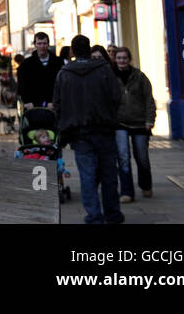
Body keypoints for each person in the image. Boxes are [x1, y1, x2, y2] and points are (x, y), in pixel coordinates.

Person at [52, 34, 125, 224]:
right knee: (109, 175)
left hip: (79, 132)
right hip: (104, 129)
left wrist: (65, 124)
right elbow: (117, 97)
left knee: (87, 176)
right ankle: (112, 214)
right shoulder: (104, 70)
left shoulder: (64, 73)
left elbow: (57, 104)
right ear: (89, 48)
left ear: (73, 52)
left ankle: (94, 216)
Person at [113, 46, 156, 202]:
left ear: (129, 59)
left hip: (139, 122)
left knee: (142, 157)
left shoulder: (139, 76)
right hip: (119, 123)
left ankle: (146, 185)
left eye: (124, 58)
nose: (122, 61)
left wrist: (150, 120)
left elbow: (149, 99)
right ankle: (126, 191)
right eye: (119, 58)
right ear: (115, 59)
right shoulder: (111, 77)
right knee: (123, 156)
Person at [17, 33, 64, 109]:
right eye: (39, 43)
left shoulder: (58, 62)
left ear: (48, 44)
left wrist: (57, 102)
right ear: (35, 45)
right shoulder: (26, 64)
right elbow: (22, 85)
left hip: (53, 105)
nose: (42, 46)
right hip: (32, 106)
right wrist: (26, 102)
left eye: (44, 43)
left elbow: (61, 84)